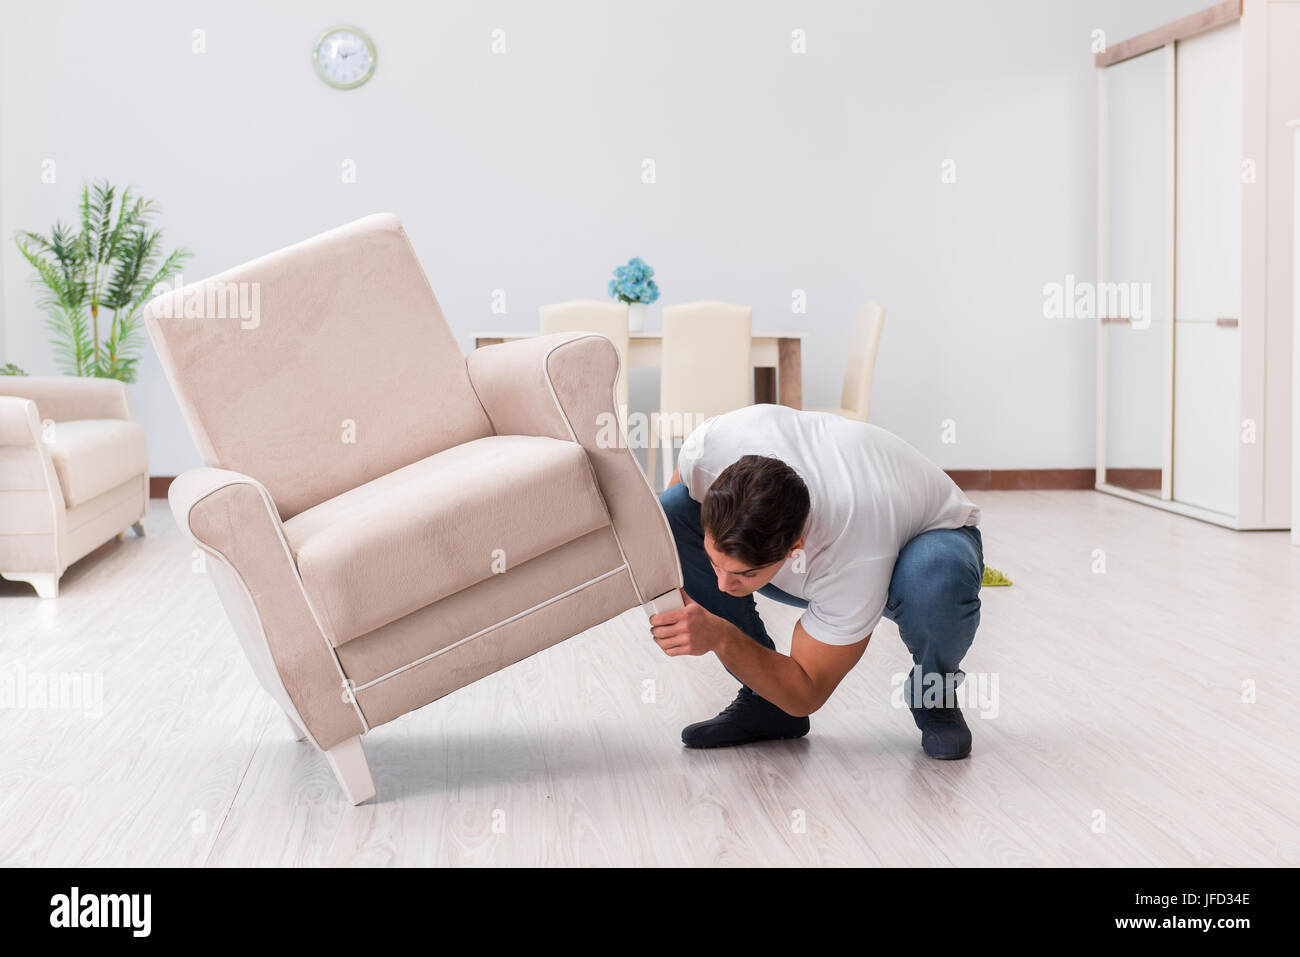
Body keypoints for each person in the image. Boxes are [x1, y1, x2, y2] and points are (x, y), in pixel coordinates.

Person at [648, 404, 984, 759]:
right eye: (716, 563)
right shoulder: (708, 451)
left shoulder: (855, 552)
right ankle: (766, 704)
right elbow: (671, 532)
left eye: (745, 574)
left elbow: (806, 691)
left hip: (929, 539)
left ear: (796, 548)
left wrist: (720, 635)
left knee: (936, 576)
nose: (721, 586)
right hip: (845, 533)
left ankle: (934, 691)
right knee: (671, 510)